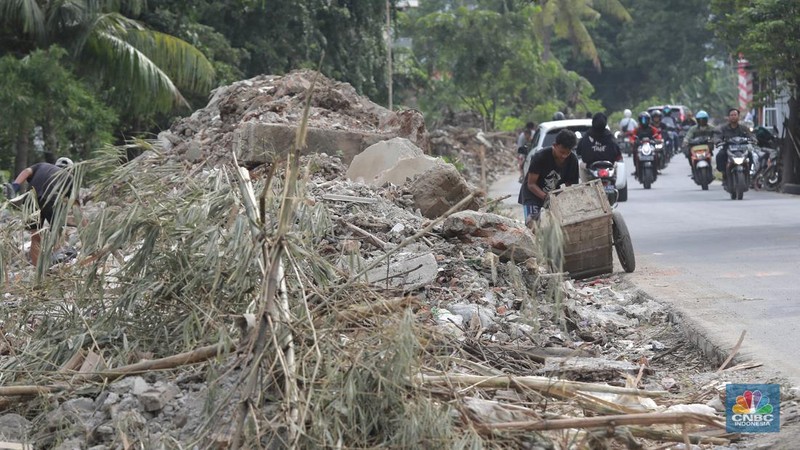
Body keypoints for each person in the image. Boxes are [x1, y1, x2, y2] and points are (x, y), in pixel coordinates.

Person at [2, 157, 76, 267]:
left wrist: (15, 185)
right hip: (51, 199)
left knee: (35, 236)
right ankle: (58, 252)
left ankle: (37, 272)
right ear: (70, 170)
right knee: (58, 230)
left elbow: (26, 171)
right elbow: (74, 207)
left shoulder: (42, 165)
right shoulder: (69, 177)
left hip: (29, 200)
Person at [518, 129, 579, 223]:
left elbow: (570, 185)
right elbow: (531, 184)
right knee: (533, 226)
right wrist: (547, 197)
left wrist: (563, 200)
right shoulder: (540, 157)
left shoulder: (573, 160)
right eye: (562, 152)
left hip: (552, 196)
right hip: (532, 195)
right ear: (554, 145)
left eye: (567, 153)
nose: (564, 156)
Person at [576, 112, 622, 182]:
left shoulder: (587, 136)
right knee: (616, 165)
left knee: (581, 166)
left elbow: (578, 151)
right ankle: (613, 182)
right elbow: (618, 153)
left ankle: (586, 186)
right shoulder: (610, 136)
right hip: (609, 166)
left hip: (590, 166)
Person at [714, 108, 754, 181]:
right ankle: (723, 172)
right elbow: (718, 136)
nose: (733, 116)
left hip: (742, 149)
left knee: (750, 155)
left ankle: (749, 172)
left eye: (735, 115)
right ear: (728, 117)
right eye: (731, 115)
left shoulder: (744, 128)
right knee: (719, 155)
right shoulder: (723, 128)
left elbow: (751, 135)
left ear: (738, 116)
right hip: (728, 149)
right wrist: (718, 141)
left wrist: (753, 139)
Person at [631, 112, 662, 179]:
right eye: (642, 119)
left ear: (648, 120)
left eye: (645, 119)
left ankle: (657, 168)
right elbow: (632, 137)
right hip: (640, 146)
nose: (644, 121)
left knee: (657, 153)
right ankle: (636, 169)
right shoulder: (637, 129)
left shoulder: (652, 129)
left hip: (650, 146)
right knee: (635, 152)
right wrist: (632, 141)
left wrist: (658, 140)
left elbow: (658, 135)